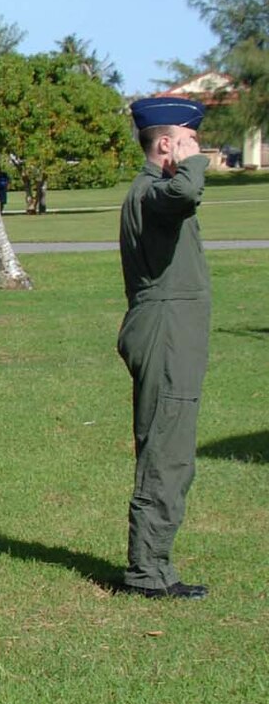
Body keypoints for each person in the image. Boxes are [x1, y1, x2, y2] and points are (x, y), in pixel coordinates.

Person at [117, 97, 212, 599]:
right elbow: (189, 191)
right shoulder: (156, 192)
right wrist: (189, 161)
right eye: (193, 141)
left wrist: (187, 158)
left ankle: (152, 566)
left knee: (169, 447)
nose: (202, 152)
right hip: (165, 333)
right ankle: (148, 573)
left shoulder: (155, 191)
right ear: (166, 145)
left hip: (170, 330)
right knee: (167, 453)